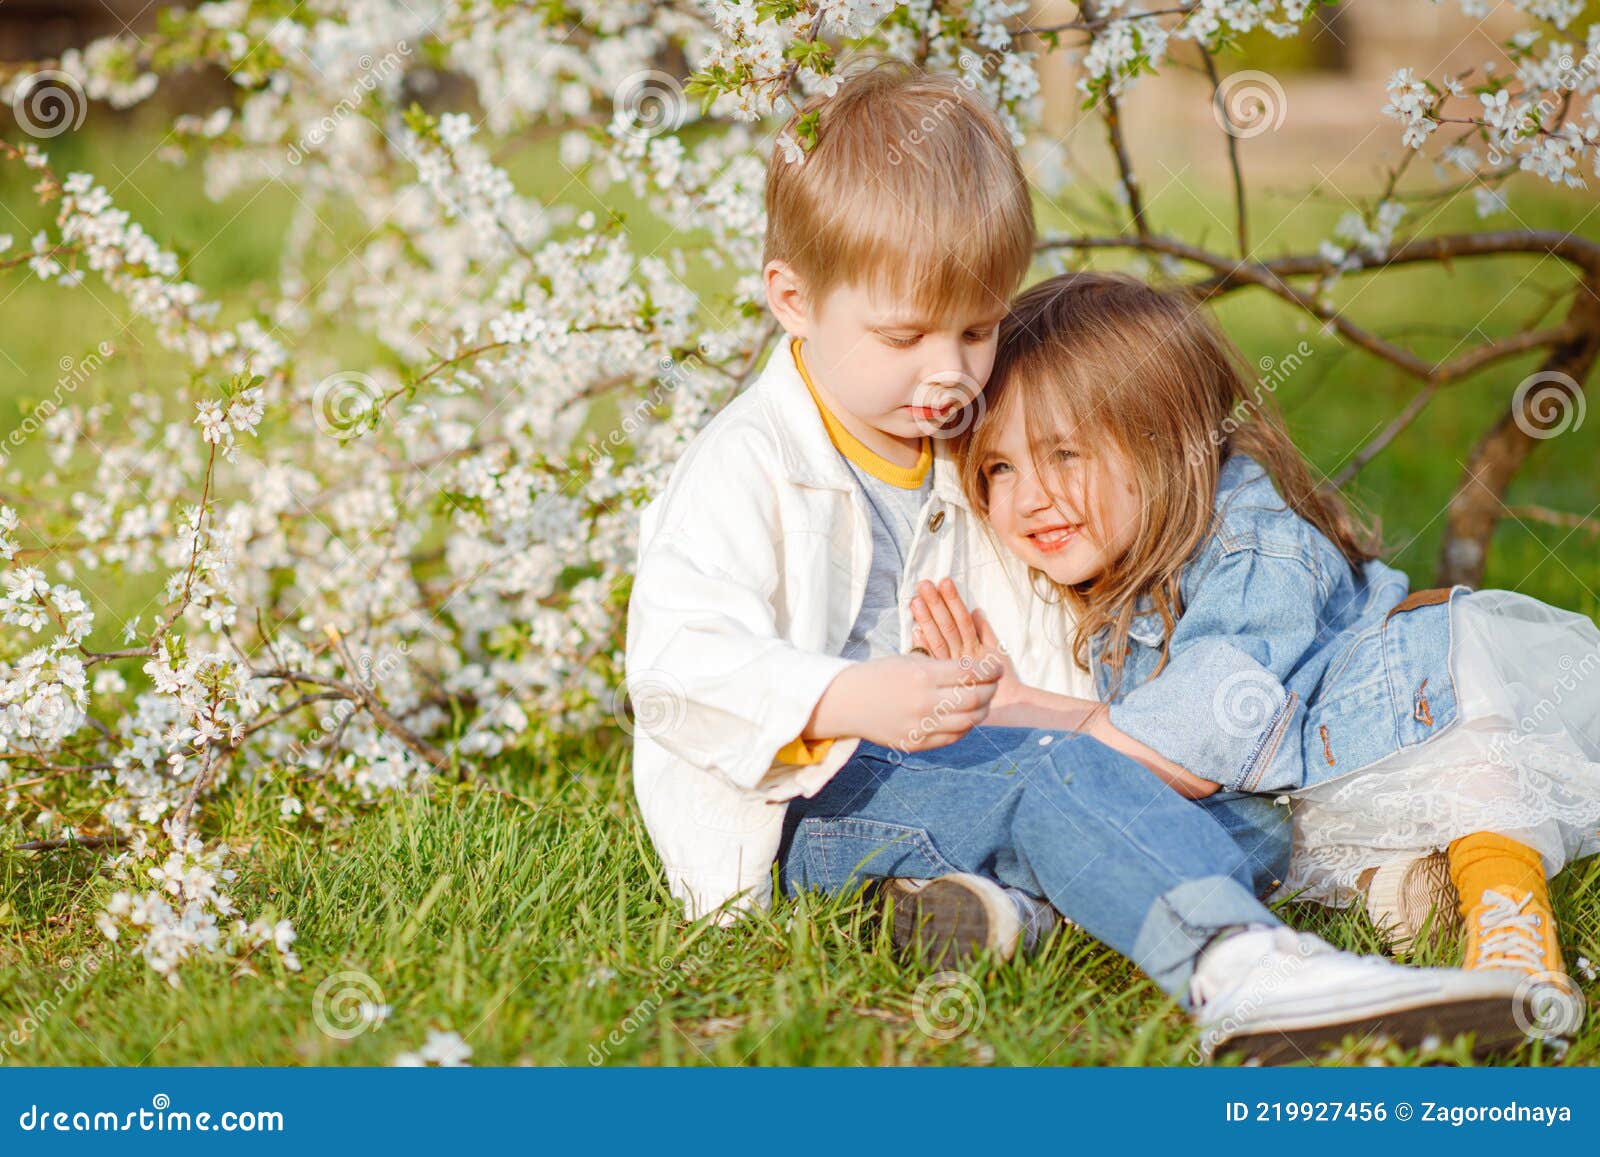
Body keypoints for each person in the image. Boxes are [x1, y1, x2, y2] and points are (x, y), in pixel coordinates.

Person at [911, 269, 1598, 1044]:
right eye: (999, 467)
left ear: (1169, 441)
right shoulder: (1124, 555)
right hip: (1291, 788)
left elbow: (1195, 741)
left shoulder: (1254, 546)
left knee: (1475, 774)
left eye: (1063, 454)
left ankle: (1515, 935)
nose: (1029, 496)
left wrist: (1022, 708)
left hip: (1412, 710)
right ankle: (1398, 892)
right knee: (1192, 832)